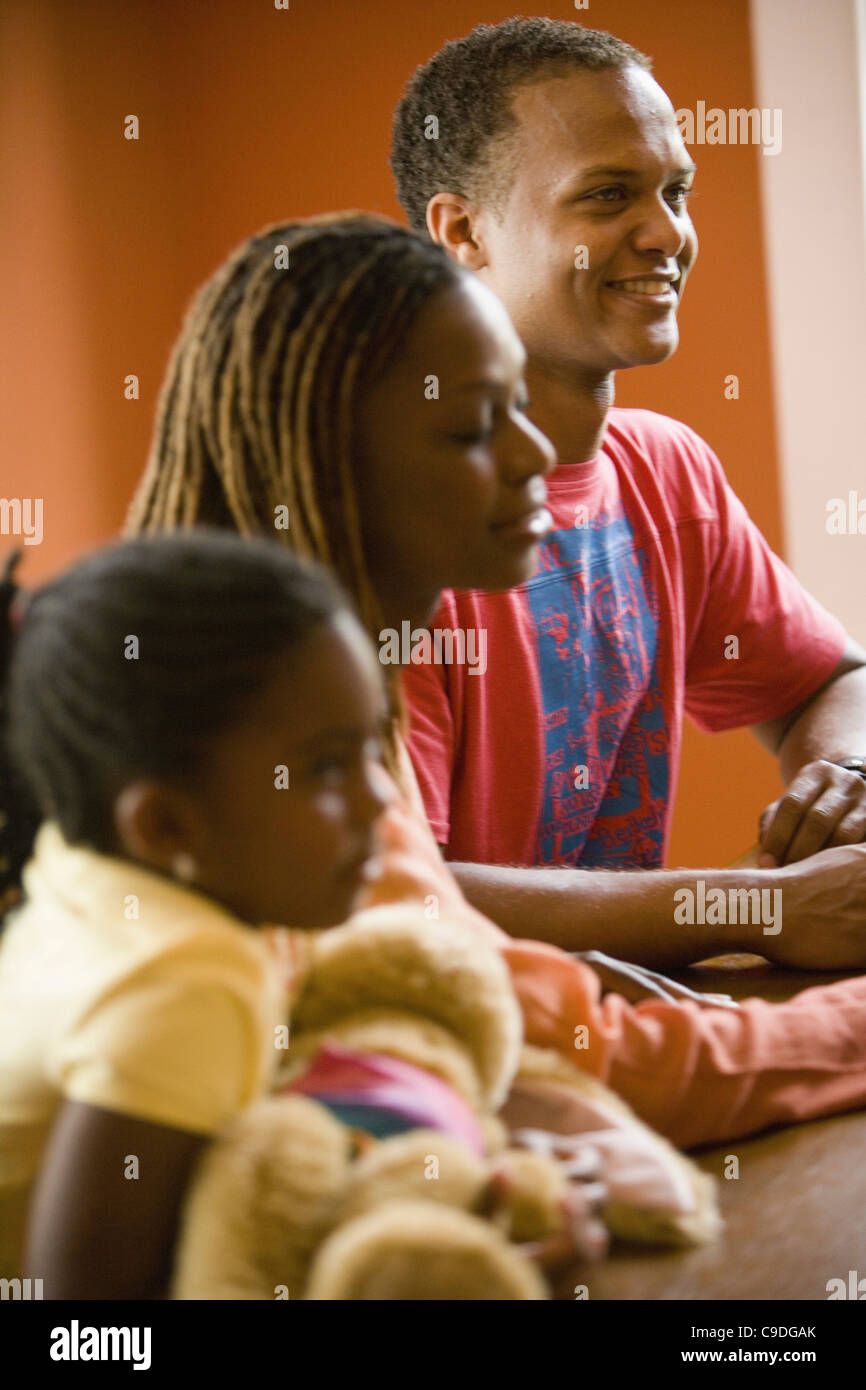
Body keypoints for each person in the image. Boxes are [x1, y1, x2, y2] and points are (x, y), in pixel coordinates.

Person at [120, 214, 866, 1154]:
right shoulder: (272, 743)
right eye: (477, 424)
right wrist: (773, 921)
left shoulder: (300, 686)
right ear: (335, 454)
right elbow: (640, 1073)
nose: (533, 455)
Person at [390, 16, 866, 967]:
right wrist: (755, 908)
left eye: (676, 190)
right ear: (464, 231)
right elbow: (403, 899)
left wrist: (841, 786)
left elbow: (831, 680)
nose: (670, 234)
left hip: (615, 1029)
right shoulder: (378, 525)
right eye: (609, 195)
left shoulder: (664, 467)